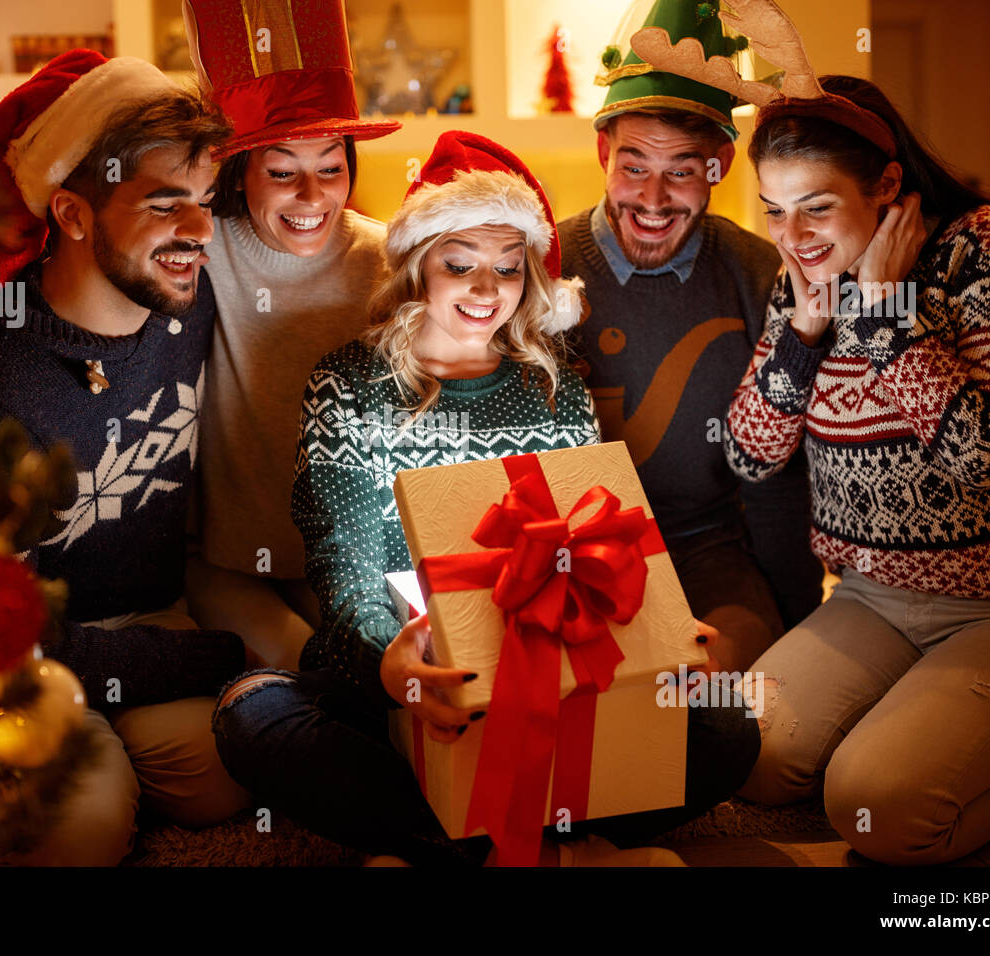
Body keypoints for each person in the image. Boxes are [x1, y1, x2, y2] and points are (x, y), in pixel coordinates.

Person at [210, 131, 759, 866]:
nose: (486, 290)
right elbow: (344, 571)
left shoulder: (553, 383)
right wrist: (394, 668)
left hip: (549, 675)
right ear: (415, 269)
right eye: (459, 264)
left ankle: (446, 850)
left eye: (507, 267)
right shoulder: (350, 386)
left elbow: (601, 547)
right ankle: (563, 851)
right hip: (416, 684)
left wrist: (656, 634)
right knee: (253, 714)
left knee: (729, 727)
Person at [635, 0, 990, 864]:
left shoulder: (987, 244)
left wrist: (877, 309)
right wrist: (803, 332)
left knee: (877, 809)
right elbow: (753, 453)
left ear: (890, 188)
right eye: (772, 211)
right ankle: (930, 718)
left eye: (817, 208)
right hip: (868, 599)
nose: (792, 240)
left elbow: (987, 457)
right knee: (747, 759)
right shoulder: (799, 283)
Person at [0, 51, 253, 865]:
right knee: (82, 830)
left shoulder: (185, 297)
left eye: (206, 202)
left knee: (231, 779)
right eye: (166, 204)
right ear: (72, 215)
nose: (202, 232)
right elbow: (1, 631)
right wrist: (216, 654)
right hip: (27, 659)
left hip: (148, 614)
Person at [558, 0, 825, 674]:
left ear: (720, 165)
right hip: (565, 560)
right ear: (601, 152)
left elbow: (778, 473)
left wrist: (797, 622)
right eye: (634, 164)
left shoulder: (759, 276)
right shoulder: (536, 265)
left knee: (702, 698)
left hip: (710, 555)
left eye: (682, 169)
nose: (652, 198)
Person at [180, 0, 401, 670]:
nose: (311, 195)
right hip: (228, 563)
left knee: (378, 675)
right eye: (281, 171)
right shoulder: (200, 247)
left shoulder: (391, 259)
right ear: (239, 170)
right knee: (314, 673)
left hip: (352, 559)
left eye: (330, 167)